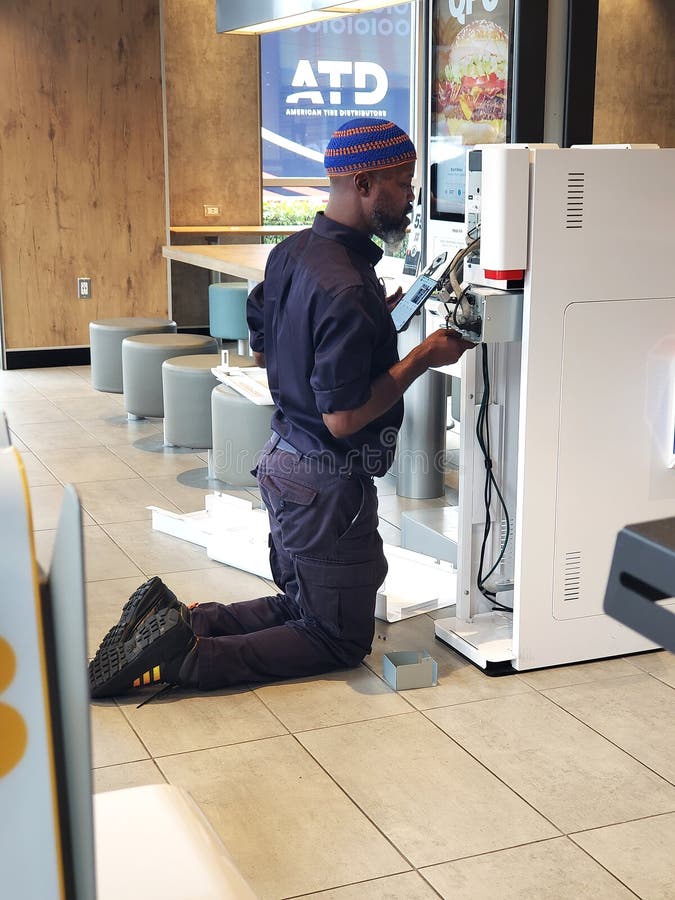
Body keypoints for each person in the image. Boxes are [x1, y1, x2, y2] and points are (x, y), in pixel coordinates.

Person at [89, 118, 474, 699]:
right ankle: (187, 658)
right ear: (364, 183)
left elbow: (267, 342)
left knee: (302, 604)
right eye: (402, 183)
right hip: (325, 484)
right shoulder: (348, 287)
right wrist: (422, 356)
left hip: (284, 460)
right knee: (336, 637)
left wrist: (372, 323)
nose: (411, 197)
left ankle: (185, 620)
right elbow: (343, 416)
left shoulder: (294, 252)